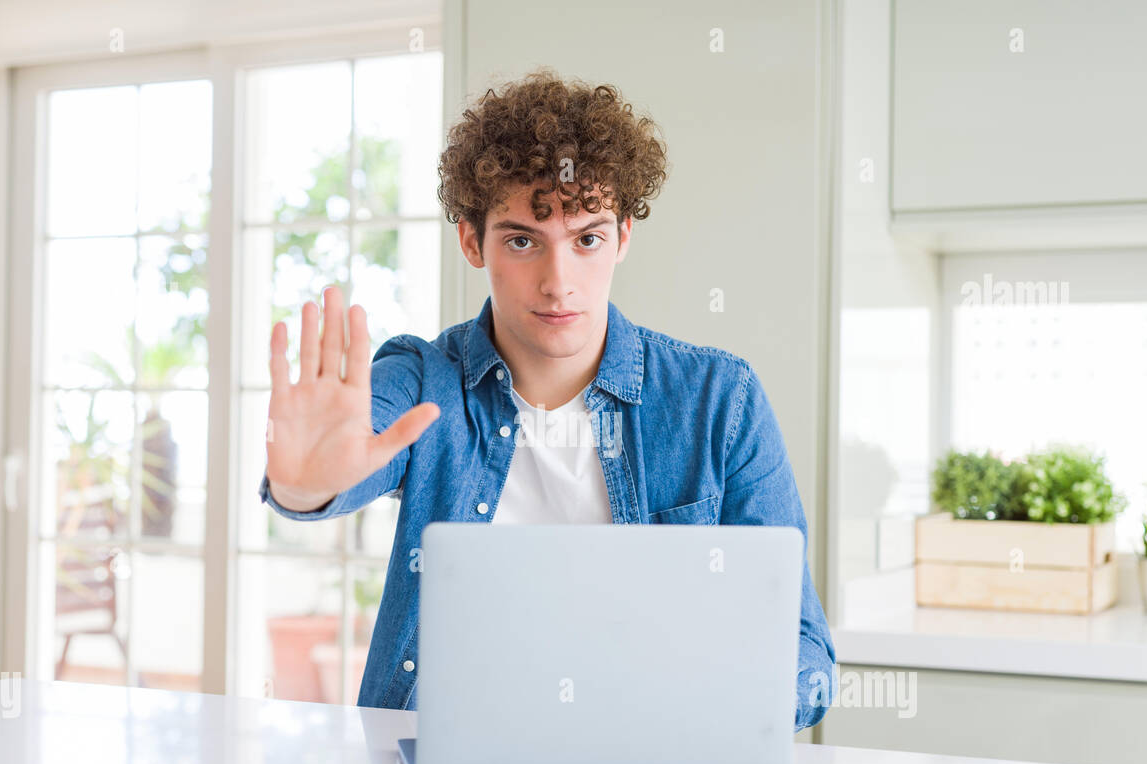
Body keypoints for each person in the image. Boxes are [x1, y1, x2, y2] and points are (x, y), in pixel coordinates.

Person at [260, 68, 836, 728]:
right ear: (472, 241)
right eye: (523, 240)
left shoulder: (720, 400)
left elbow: (806, 653)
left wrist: (705, 710)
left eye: (586, 238)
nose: (558, 282)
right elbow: (350, 446)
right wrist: (305, 487)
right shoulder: (423, 379)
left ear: (622, 236)